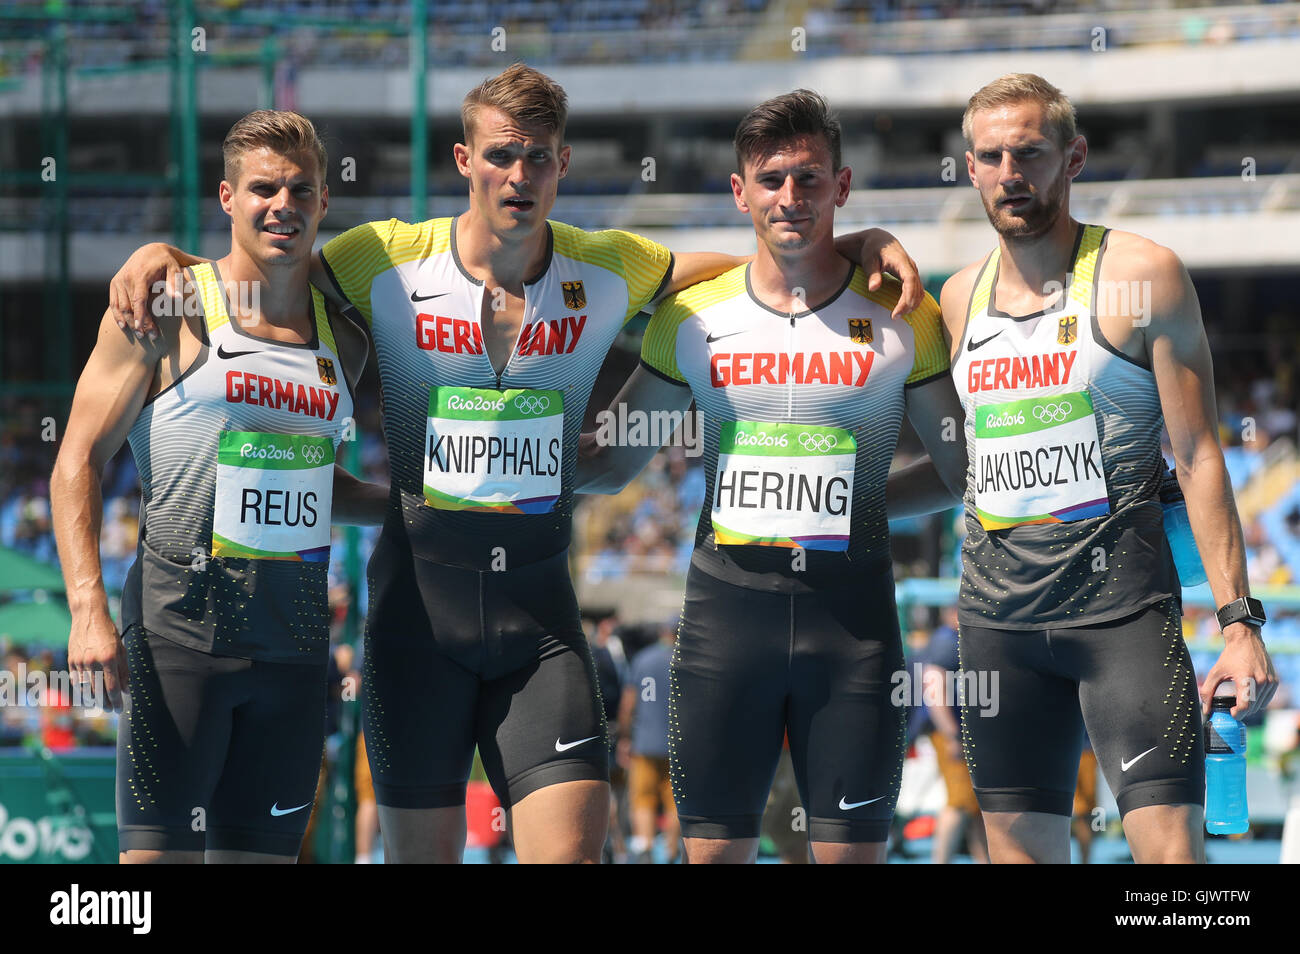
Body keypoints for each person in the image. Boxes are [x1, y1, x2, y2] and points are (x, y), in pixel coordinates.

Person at [108, 66, 925, 863]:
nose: (519, 174)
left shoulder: (608, 265)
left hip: (540, 627)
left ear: (563, 164)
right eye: (501, 153)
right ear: (466, 161)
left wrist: (849, 244)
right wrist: (165, 253)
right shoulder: (383, 259)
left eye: (539, 155)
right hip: (413, 626)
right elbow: (265, 259)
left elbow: (752, 268)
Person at [579, 90, 968, 863]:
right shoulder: (688, 318)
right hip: (726, 630)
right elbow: (617, 458)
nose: (790, 196)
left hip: (854, 635)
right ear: (739, 191)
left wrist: (864, 505)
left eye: (810, 178)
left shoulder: (904, 313)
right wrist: (500, 461)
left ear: (842, 187)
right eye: (771, 179)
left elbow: (958, 473)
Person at [941, 73, 1278, 863]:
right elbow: (962, 462)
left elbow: (1197, 454)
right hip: (997, 628)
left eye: (1029, 151)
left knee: (1174, 871)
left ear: (1074, 156)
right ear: (969, 168)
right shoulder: (957, 298)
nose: (1009, 172)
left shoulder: (1142, 275)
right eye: (990, 156)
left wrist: (1239, 623)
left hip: (1123, 618)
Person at [51, 110, 387, 863]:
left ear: (324, 203)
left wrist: (409, 508)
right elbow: (76, 459)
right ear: (227, 197)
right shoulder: (164, 309)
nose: (284, 205)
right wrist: (86, 612)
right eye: (264, 188)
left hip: (295, 651)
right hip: (178, 638)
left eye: (302, 190)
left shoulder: (345, 338)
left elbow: (311, 483)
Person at [920, 606, 988, 864]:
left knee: (977, 809)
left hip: (963, 734)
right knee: (959, 804)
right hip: (954, 735)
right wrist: (951, 734)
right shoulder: (946, 640)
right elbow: (934, 686)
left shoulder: (954, 639)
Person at [617, 620, 679, 863]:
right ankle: (672, 852)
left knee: (643, 799)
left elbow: (627, 705)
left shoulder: (643, 659)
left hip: (644, 743)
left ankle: (645, 850)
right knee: (675, 803)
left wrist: (625, 737)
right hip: (677, 745)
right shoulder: (688, 659)